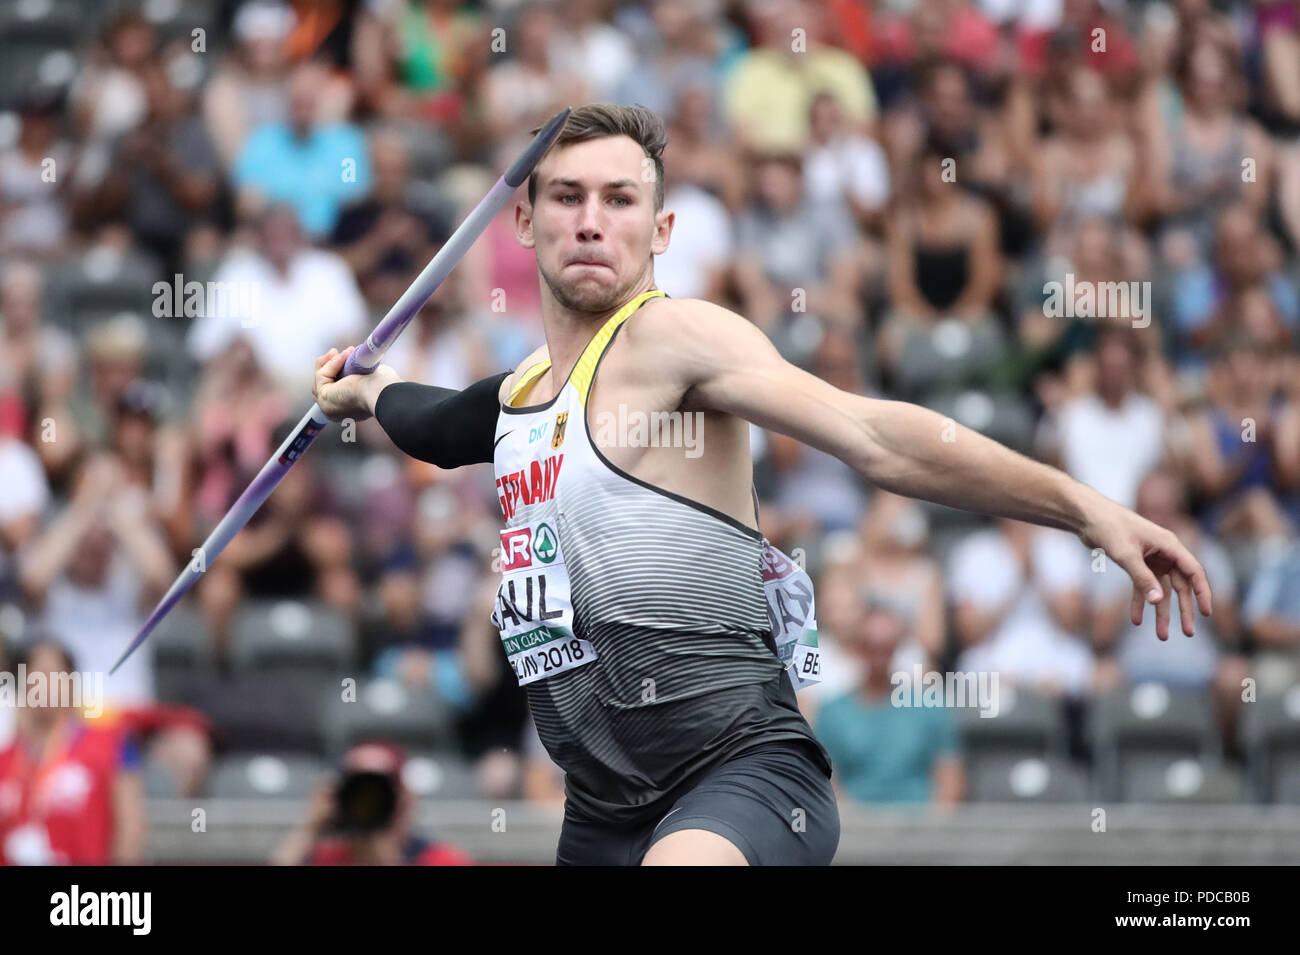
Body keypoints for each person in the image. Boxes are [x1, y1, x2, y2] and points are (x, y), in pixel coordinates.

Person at [312, 104, 1213, 866]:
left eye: (620, 200)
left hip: (737, 777)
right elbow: (435, 424)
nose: (591, 220)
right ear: (525, 222)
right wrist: (364, 391)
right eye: (567, 196)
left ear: (660, 231)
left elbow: (874, 437)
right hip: (600, 814)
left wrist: (1084, 507)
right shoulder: (518, 398)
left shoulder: (678, 342)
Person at [0, 641, 146, 865]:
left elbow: (131, 828)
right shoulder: (6, 759)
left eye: (53, 675)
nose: (44, 685)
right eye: (35, 675)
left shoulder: (111, 743)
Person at [270, 741, 471, 866]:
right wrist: (310, 826)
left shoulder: (443, 860)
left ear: (405, 797)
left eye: (380, 790)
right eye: (360, 791)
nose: (368, 802)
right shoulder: (327, 856)